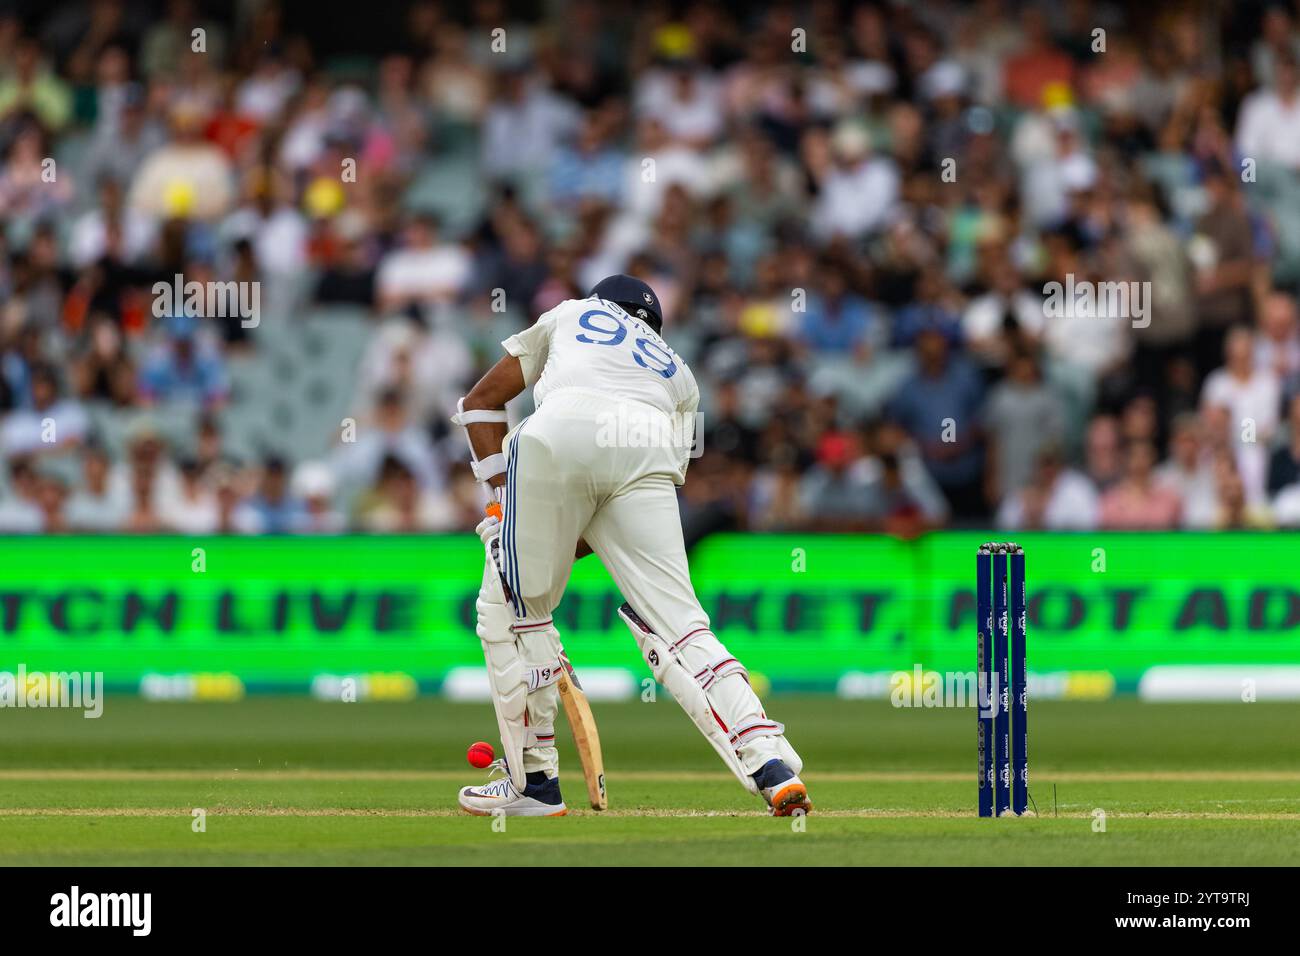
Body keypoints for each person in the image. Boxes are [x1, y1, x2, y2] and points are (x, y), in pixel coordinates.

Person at [452, 275, 809, 817]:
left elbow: (479, 404)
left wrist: (505, 510)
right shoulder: (681, 374)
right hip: (647, 449)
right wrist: (548, 533)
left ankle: (536, 783)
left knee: (509, 610)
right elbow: (619, 507)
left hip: (559, 431)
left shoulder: (571, 312)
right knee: (685, 624)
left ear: (603, 302)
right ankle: (770, 762)